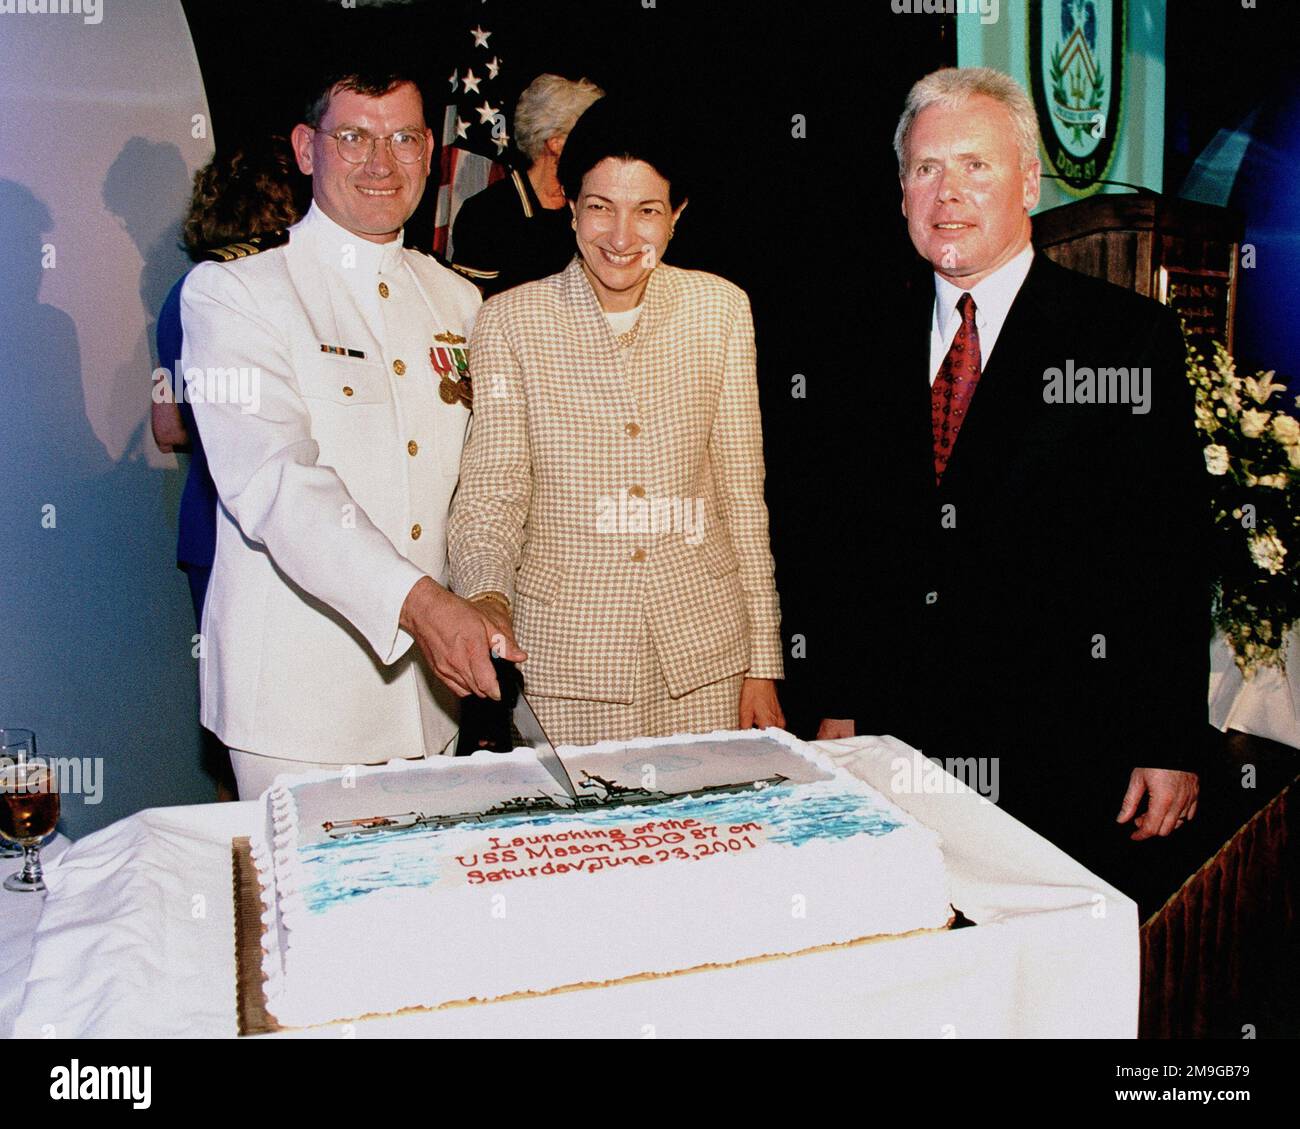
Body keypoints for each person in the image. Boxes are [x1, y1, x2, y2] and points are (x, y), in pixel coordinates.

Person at [811, 68, 1208, 888]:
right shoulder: (854, 337)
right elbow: (842, 538)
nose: (947, 192)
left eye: (975, 165)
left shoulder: (1123, 340)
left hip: (1061, 757)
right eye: (925, 169)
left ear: (1029, 179)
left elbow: (1167, 551)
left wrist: (1168, 739)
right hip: (895, 758)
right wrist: (844, 701)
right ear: (901, 192)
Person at [181, 70, 524, 799]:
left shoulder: (458, 299)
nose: (381, 162)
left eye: (402, 138)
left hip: (429, 703)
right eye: (353, 137)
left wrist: (487, 594)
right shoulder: (236, 292)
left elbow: (485, 480)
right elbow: (274, 480)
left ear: (430, 151)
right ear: (307, 149)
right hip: (298, 710)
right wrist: (422, 604)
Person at [448, 97, 785, 745]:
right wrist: (488, 597)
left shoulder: (720, 310)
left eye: (647, 211)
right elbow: (492, 493)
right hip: (564, 668)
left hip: (707, 664)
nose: (622, 237)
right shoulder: (511, 321)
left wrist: (762, 663)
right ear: (569, 206)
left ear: (677, 215)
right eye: (600, 207)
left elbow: (744, 499)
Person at [153, 139, 301, 802]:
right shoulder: (269, 295)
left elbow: (167, 425)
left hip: (207, 529)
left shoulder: (177, 297)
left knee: (233, 726)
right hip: (248, 528)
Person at [449, 74, 603, 297]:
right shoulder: (488, 213)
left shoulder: (588, 207)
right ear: (555, 143)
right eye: (586, 138)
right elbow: (468, 306)